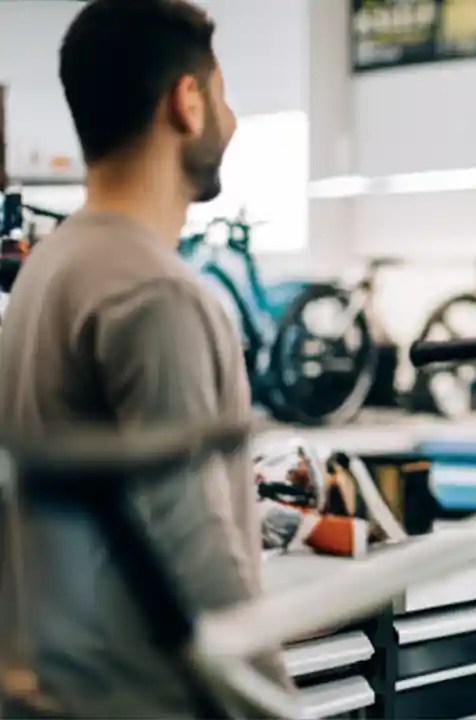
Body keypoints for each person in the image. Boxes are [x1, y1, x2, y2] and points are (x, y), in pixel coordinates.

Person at [0, 1, 294, 717]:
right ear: (186, 102)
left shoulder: (51, 266)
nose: (231, 120)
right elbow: (197, 554)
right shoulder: (155, 292)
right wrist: (273, 702)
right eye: (222, 96)